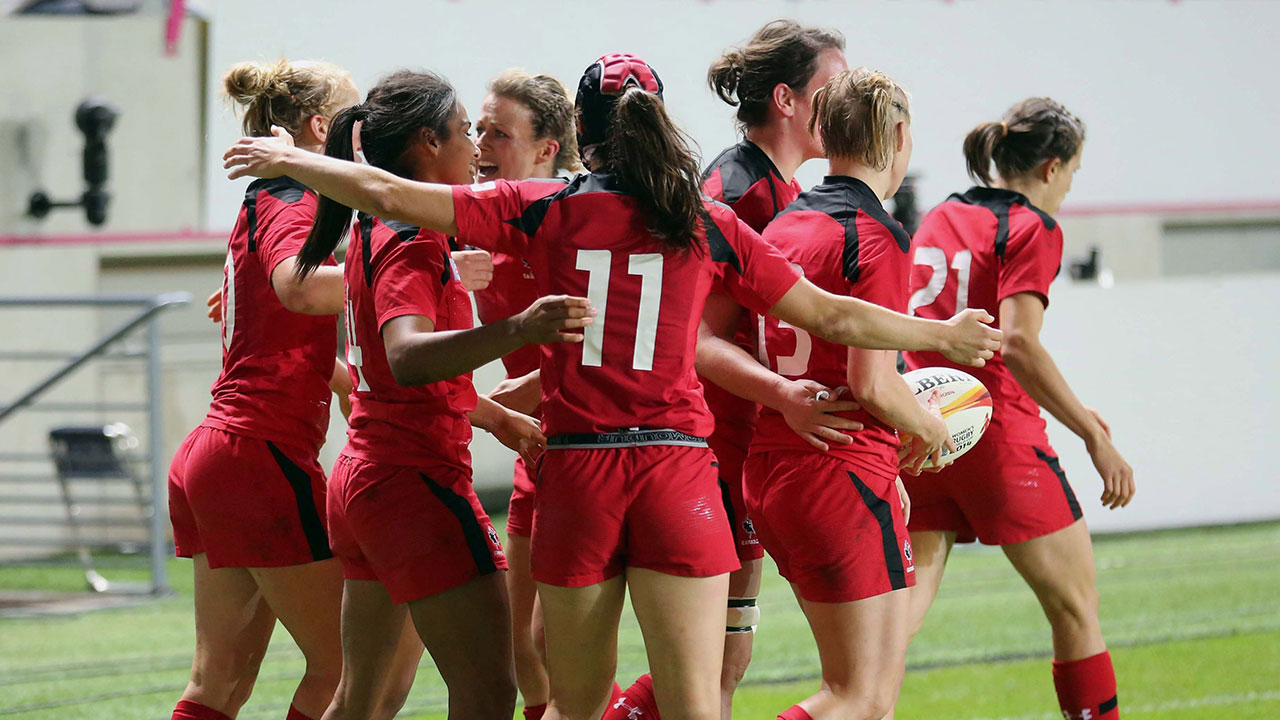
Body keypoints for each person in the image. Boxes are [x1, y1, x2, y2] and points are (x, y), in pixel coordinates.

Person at [221, 52, 1001, 720]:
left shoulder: (544, 206)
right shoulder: (706, 219)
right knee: (696, 705)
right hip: (675, 471)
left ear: (581, 133)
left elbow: (391, 196)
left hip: (578, 473)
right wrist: (942, 336)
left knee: (574, 704)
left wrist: (291, 162)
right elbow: (831, 313)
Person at [292, 69, 591, 720]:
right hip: (413, 482)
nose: (476, 146)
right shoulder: (413, 237)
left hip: (368, 475)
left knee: (362, 700)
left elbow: (395, 373)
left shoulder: (376, 224)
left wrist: (495, 417)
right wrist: (519, 328)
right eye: (465, 130)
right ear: (428, 143)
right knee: (490, 691)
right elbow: (405, 357)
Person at [896, 98, 1135, 720]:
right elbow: (1019, 344)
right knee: (1075, 609)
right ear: (1052, 168)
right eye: (1073, 172)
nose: (1070, 186)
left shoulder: (942, 214)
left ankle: (842, 704)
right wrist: (1091, 434)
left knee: (896, 620)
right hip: (996, 433)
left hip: (923, 431)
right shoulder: (1034, 228)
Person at [746, 68, 944, 720]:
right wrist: (929, 427)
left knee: (865, 689)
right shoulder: (876, 236)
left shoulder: (780, 226)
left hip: (774, 465)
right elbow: (872, 382)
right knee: (861, 696)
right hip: (838, 470)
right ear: (898, 135)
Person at [166, 58, 361, 720]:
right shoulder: (292, 199)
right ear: (322, 128)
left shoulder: (270, 198)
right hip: (257, 455)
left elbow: (274, 325)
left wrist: (338, 377)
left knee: (217, 683)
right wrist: (405, 270)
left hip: (219, 454)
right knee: (346, 668)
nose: (365, 130)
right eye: (355, 116)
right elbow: (298, 288)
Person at [698, 22, 848, 717]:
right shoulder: (739, 191)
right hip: (712, 447)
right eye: (833, 88)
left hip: (747, 447)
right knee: (705, 669)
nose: (846, 104)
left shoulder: (781, 189)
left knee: (721, 664)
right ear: (787, 100)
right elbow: (695, 339)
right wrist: (785, 393)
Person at [469, 68, 584, 720]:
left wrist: (540, 382)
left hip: (592, 449)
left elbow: (626, 325)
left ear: (547, 149)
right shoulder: (476, 222)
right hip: (534, 450)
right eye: (478, 128)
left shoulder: (574, 219)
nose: (481, 144)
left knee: (556, 644)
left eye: (499, 133)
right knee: (521, 650)